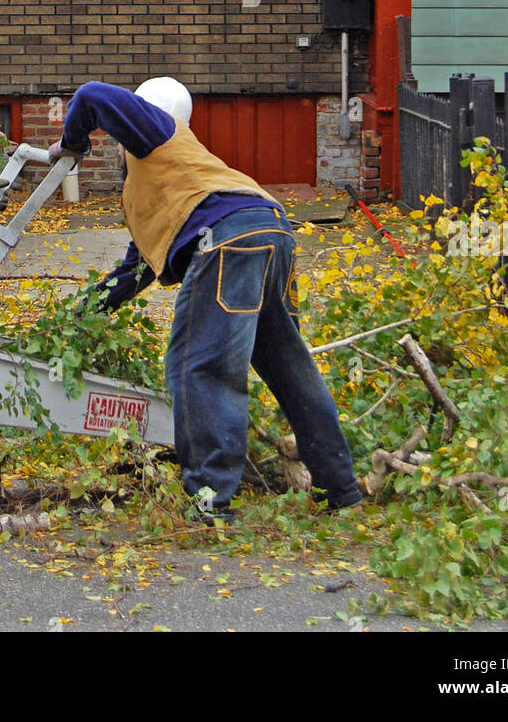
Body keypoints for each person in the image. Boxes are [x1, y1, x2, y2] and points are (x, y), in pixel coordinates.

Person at [49, 78, 363, 523]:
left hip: (227, 240)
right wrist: (80, 313)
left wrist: (71, 145)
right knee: (289, 369)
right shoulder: (176, 172)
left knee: (197, 367)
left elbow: (91, 96)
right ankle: (341, 488)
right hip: (271, 230)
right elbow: (134, 272)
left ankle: (210, 502)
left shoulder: (153, 130)